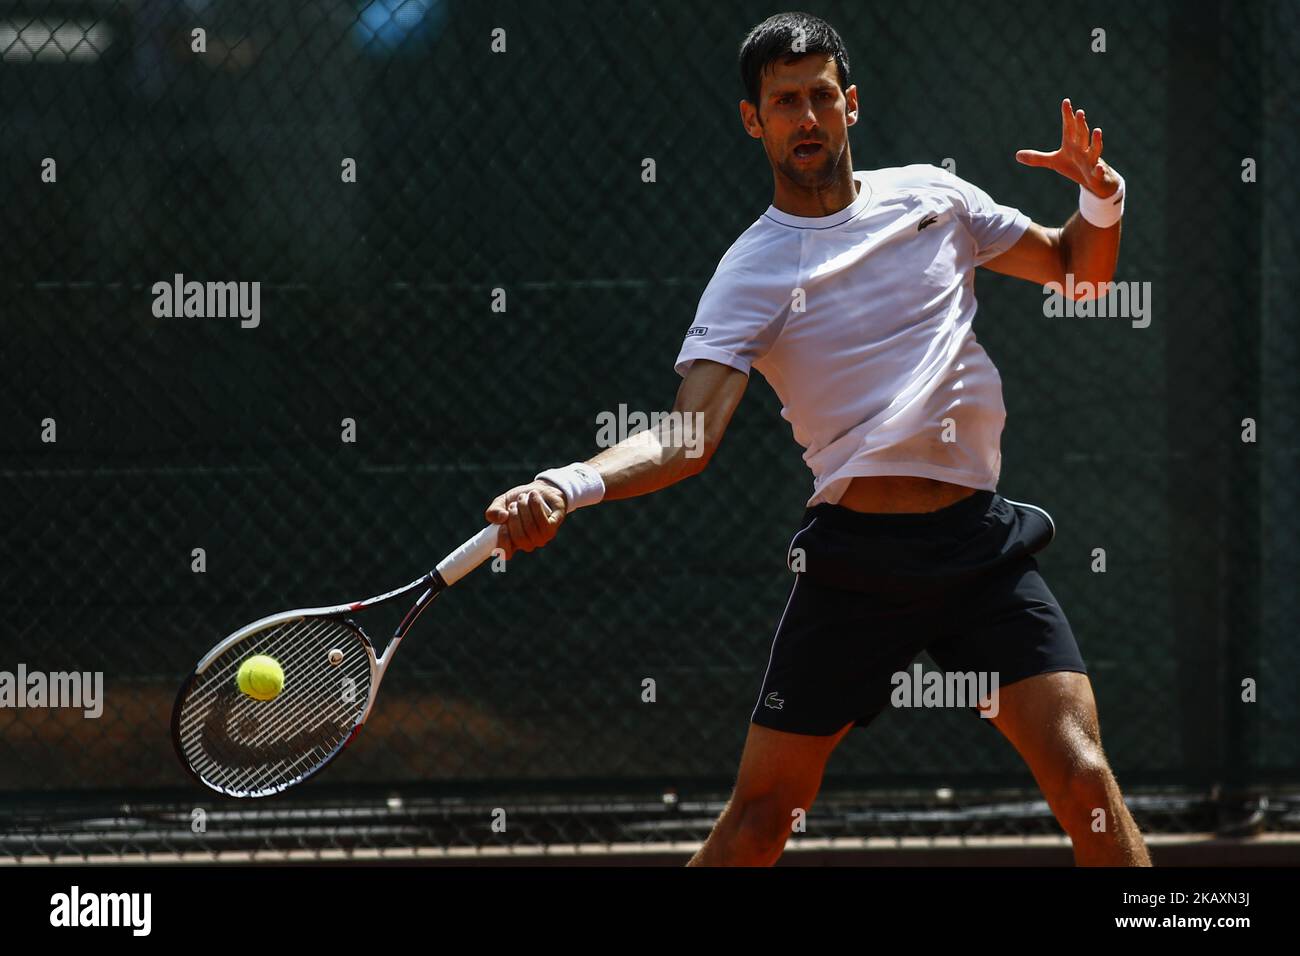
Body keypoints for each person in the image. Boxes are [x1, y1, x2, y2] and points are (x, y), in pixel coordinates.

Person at [484, 11, 1150, 867]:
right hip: (857, 563)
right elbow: (689, 437)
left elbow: (1077, 271)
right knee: (762, 818)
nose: (806, 118)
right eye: (784, 101)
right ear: (752, 120)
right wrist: (570, 484)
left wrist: (1101, 194)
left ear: (851, 105)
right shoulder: (752, 271)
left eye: (821, 97)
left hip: (980, 546)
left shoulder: (934, 198)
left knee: (1084, 777)